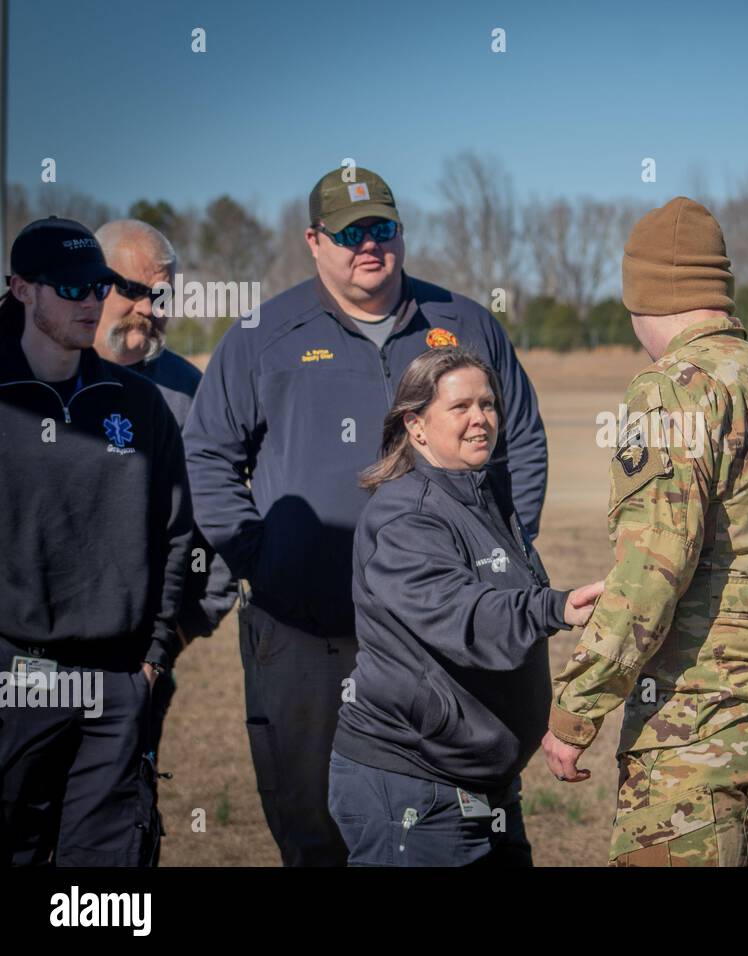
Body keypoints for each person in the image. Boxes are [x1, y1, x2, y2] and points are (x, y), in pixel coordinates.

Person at [184, 167, 549, 866]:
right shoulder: (265, 334)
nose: (368, 246)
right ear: (313, 240)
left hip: (440, 636)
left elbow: (522, 440)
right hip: (308, 631)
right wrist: (264, 562)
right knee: (315, 820)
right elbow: (208, 454)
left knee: (470, 809)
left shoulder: (462, 323)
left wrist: (507, 546)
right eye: (350, 233)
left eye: (382, 229)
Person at [541, 197, 748, 866]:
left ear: (644, 295)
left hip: (700, 729)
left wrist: (575, 710)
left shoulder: (673, 388)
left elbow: (653, 567)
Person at [328, 347, 602, 866]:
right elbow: (466, 618)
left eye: (488, 403)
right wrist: (556, 607)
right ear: (416, 424)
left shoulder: (485, 496)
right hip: (414, 788)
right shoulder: (405, 517)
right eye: (461, 407)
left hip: (486, 785)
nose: (481, 418)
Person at [0, 217, 191, 866]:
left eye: (98, 287)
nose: (92, 300)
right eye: (73, 287)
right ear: (22, 290)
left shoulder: (138, 400)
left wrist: (153, 659)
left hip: (117, 684)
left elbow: (176, 533)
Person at [93, 219, 238, 774]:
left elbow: (219, 518)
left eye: (162, 295)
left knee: (119, 825)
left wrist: (174, 636)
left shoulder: (189, 393)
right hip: (27, 664)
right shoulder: (36, 378)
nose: (150, 309)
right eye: (132, 290)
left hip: (136, 663)